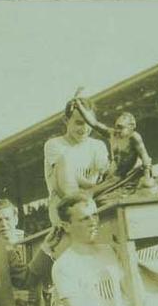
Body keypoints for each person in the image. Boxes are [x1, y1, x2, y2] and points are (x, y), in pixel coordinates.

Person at [44, 96, 110, 224]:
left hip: (91, 204)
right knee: (65, 162)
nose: (84, 128)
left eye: (88, 123)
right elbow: (69, 178)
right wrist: (101, 187)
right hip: (63, 208)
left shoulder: (98, 145)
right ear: (66, 120)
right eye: (79, 123)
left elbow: (106, 170)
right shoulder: (54, 144)